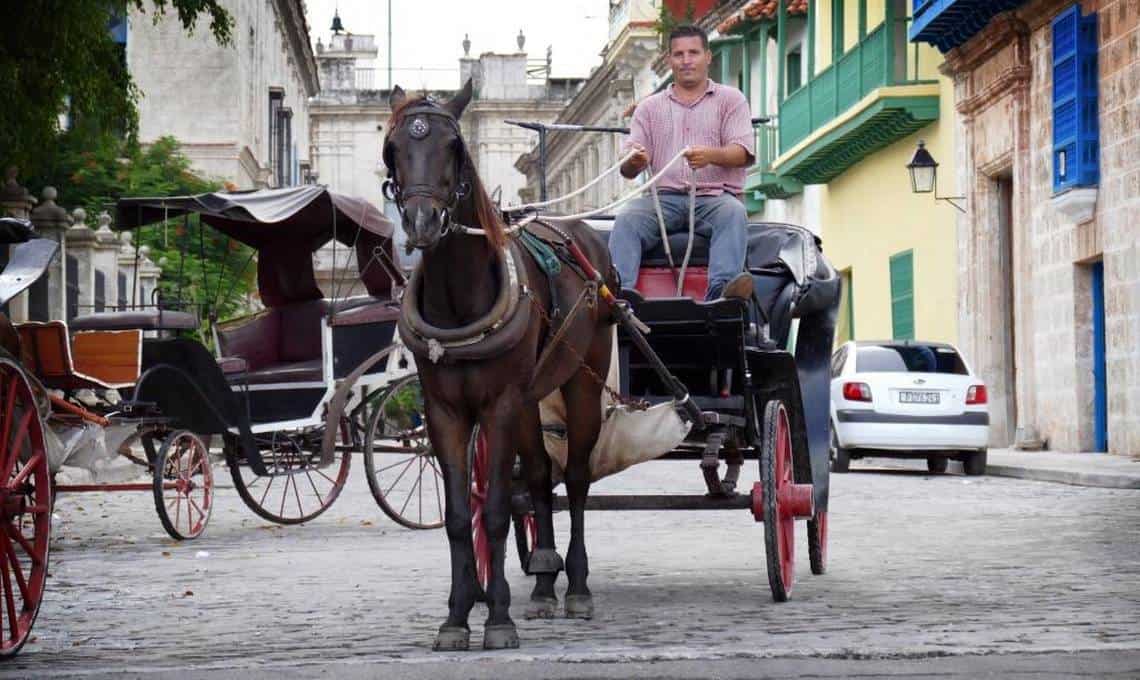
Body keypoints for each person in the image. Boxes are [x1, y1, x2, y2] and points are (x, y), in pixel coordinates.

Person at [608, 24, 755, 302]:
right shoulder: (648, 108)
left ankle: (721, 295)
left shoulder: (731, 100)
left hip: (714, 198)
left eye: (693, 53)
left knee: (734, 213)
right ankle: (620, 296)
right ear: (669, 60)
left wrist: (710, 155)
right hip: (662, 199)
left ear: (707, 57)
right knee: (627, 219)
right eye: (679, 54)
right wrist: (635, 159)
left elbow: (742, 152)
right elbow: (627, 170)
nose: (686, 60)